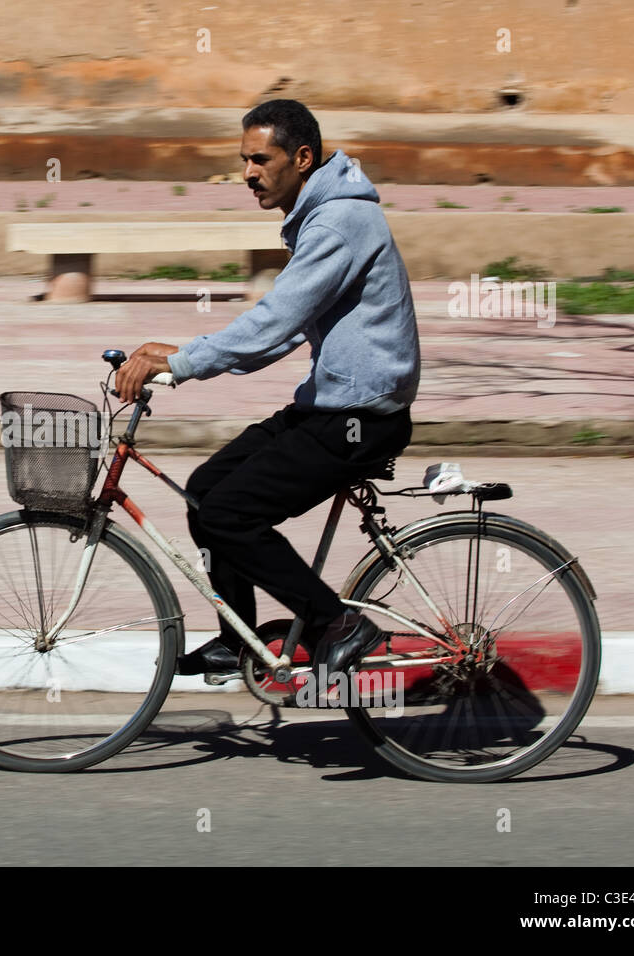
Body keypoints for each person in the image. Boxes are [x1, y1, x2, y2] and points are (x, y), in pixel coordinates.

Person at [113, 99, 420, 684]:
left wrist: (181, 363)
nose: (248, 173)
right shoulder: (324, 215)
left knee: (230, 513)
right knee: (207, 490)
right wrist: (180, 356)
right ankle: (241, 639)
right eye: (244, 160)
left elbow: (276, 321)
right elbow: (285, 329)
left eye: (261, 159)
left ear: (302, 158)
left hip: (359, 418)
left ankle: (335, 624)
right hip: (332, 405)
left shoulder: (336, 223)